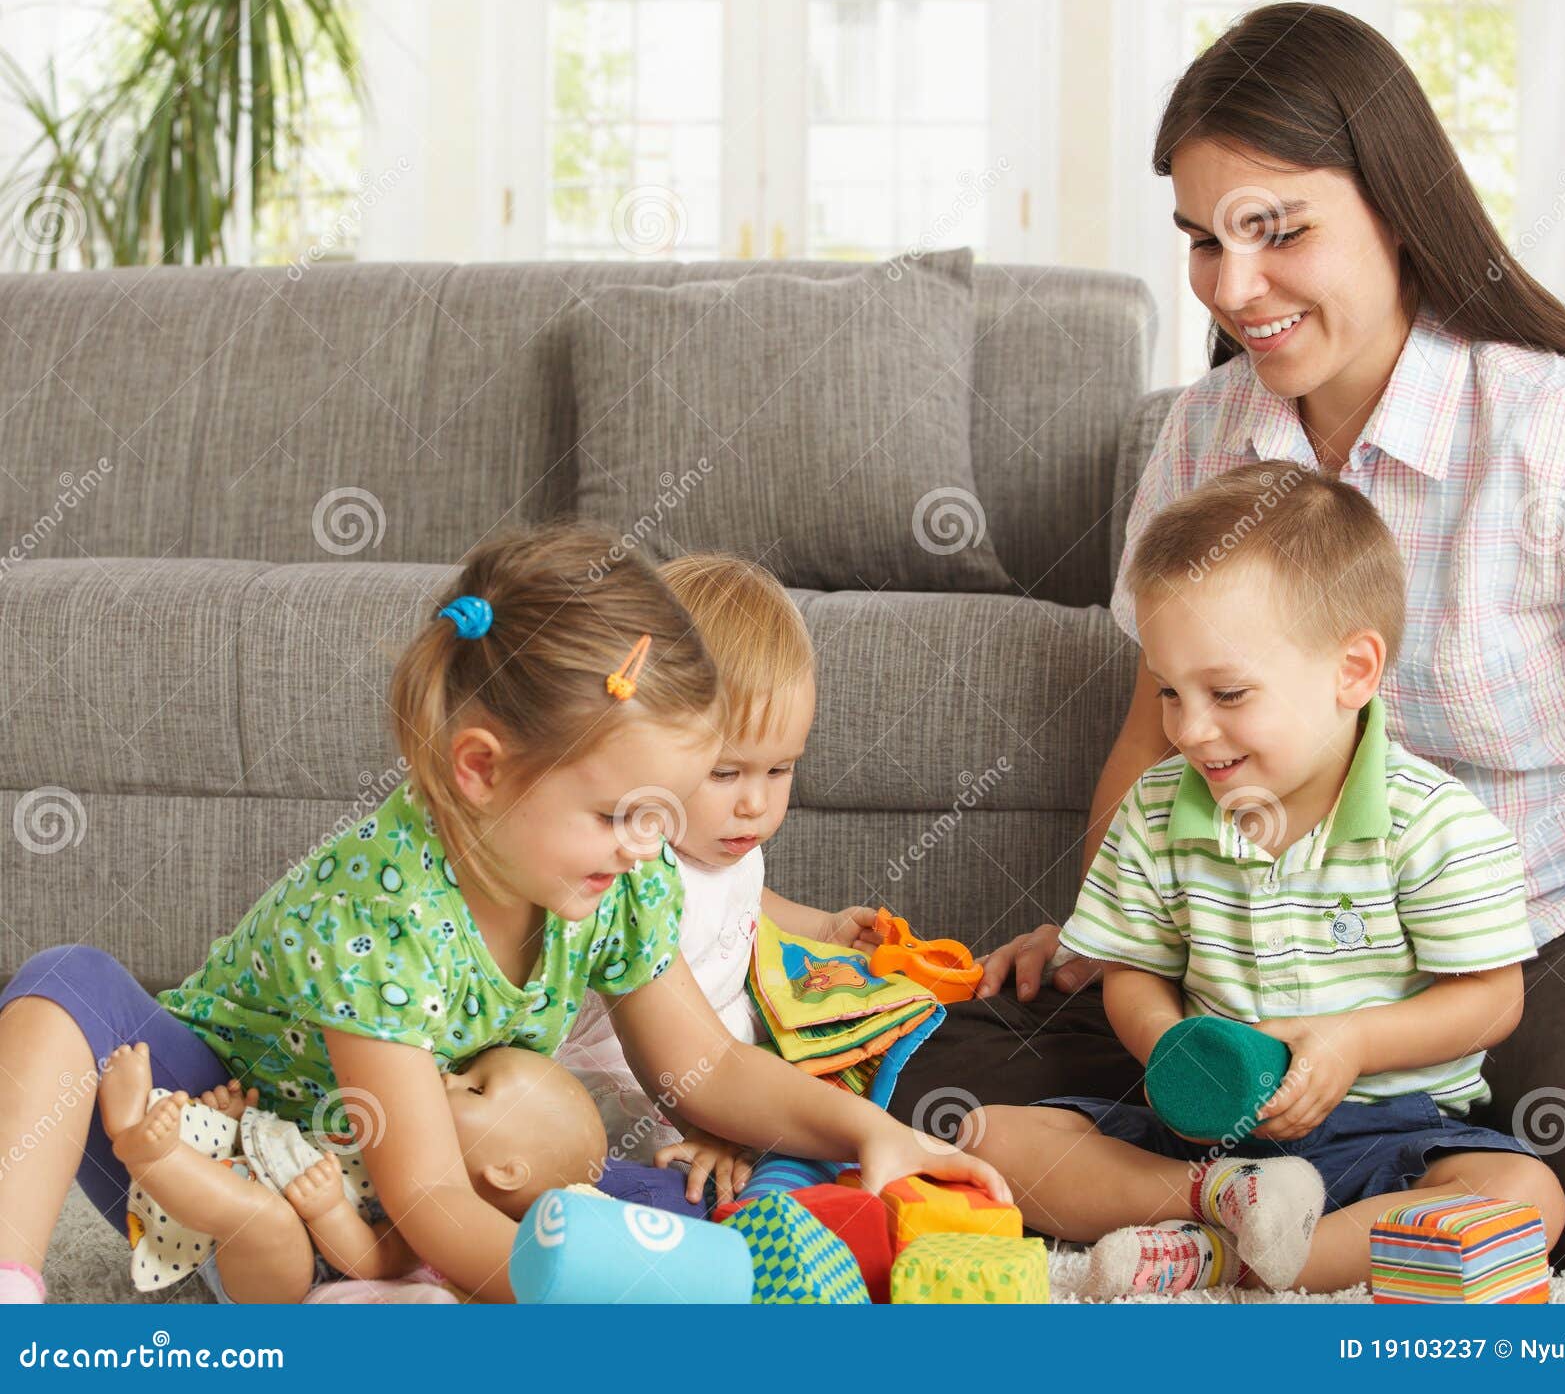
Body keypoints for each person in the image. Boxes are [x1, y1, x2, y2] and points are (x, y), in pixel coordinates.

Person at [899, 2, 1565, 1273]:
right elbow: (1145, 728)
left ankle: (1260, 1225)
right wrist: (1109, 928)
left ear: (1394, 204)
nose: (1232, 287)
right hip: (1234, 936)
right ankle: (1228, 1210)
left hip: (1519, 944)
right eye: (1202, 240)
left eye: (1277, 232)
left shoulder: (1558, 429)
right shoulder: (1202, 435)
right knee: (932, 1084)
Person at [0, 522, 1006, 1305]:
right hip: (208, 1137)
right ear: (480, 770)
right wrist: (562, 1307)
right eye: (616, 813)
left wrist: (872, 1130)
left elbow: (707, 1070)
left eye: (659, 813)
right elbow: (428, 1193)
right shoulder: (382, 910)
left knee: (659, 1206)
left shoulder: (617, 874)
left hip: (359, 1204)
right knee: (66, 985)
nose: (647, 846)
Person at [964, 463, 1564, 1296]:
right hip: (1208, 1137)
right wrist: (1169, 1047)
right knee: (988, 1138)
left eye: (1229, 693)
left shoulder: (1433, 823)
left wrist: (1354, 1042)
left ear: (1352, 672)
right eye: (1171, 692)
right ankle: (1220, 1205)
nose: (1190, 729)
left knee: (1524, 1197)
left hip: (1387, 1133)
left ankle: (1232, 1257)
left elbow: (1492, 999)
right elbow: (1135, 971)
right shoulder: (1160, 807)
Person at [557, 553, 878, 1205]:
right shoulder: (634, 871)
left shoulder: (727, 842)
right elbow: (668, 1053)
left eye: (779, 770)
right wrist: (707, 1125)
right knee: (681, 1185)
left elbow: (746, 901)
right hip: (633, 1084)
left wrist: (823, 927)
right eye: (726, 773)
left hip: (731, 1066)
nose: (754, 804)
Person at [96, 1041, 597, 1303]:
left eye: (475, 1089)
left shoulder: (446, 1220)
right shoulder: (397, 1142)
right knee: (253, 1198)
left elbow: (372, 1263)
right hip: (247, 1192)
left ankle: (148, 1153)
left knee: (265, 1220)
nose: (448, 1076)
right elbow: (301, 1146)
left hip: (281, 1288)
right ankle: (166, 1139)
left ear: (504, 1171)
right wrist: (239, 1126)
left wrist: (331, 1210)